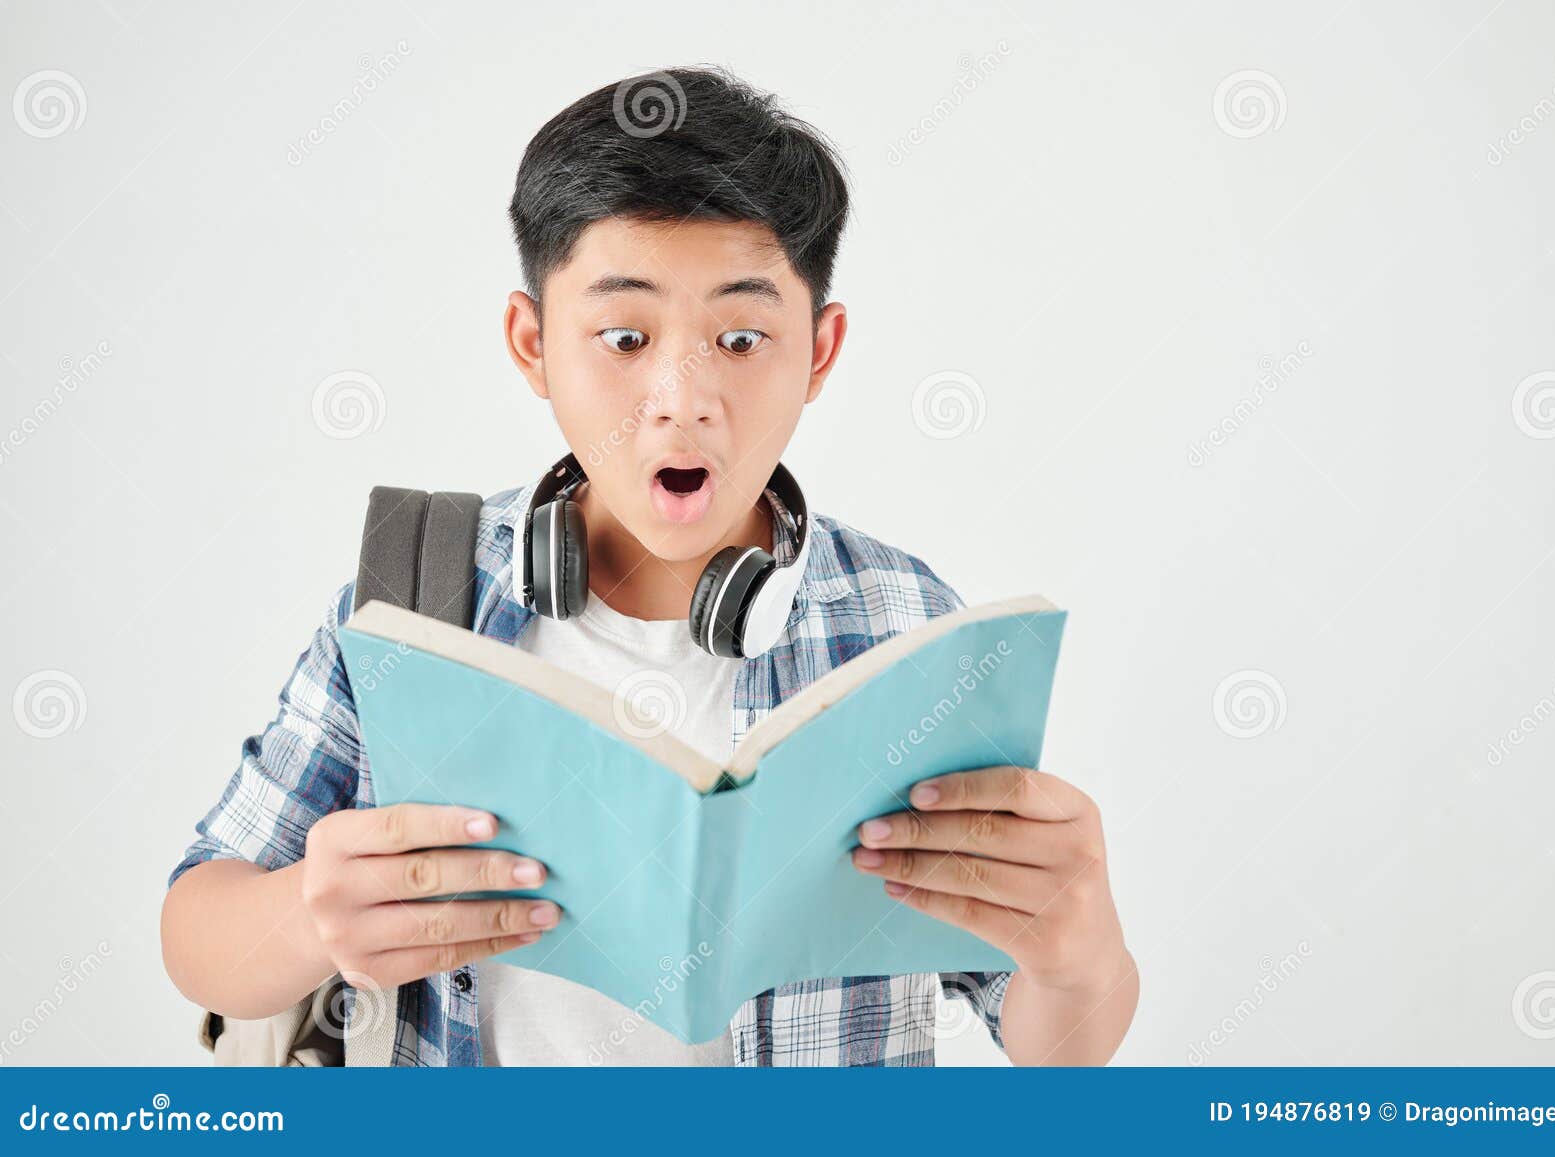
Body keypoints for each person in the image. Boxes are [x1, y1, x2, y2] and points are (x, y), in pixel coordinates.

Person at [160, 66, 1138, 1067]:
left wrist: (1078, 957)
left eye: (743, 337)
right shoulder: (414, 595)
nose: (681, 396)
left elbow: (1053, 1044)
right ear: (533, 343)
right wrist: (312, 919)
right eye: (624, 336)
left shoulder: (906, 628)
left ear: (820, 352)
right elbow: (199, 930)